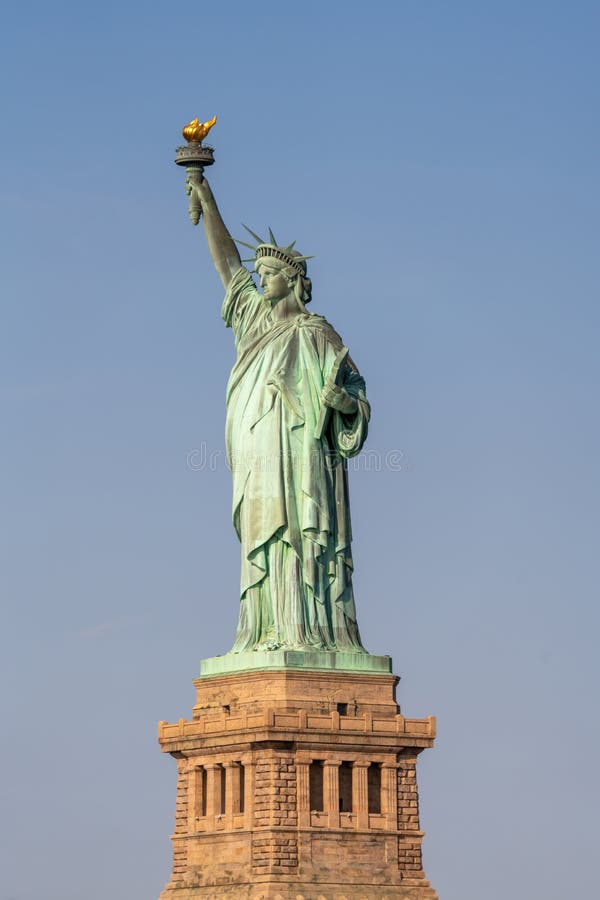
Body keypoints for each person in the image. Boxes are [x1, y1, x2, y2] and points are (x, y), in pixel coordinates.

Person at [187, 174, 370, 653]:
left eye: (268, 272)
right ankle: (265, 630)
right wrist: (207, 198)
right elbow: (227, 265)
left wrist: (344, 404)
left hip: (303, 453)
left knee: (300, 532)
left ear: (291, 280)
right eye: (260, 273)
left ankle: (309, 630)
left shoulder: (317, 334)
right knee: (264, 538)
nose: (259, 277)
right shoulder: (251, 321)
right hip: (258, 451)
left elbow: (357, 398)